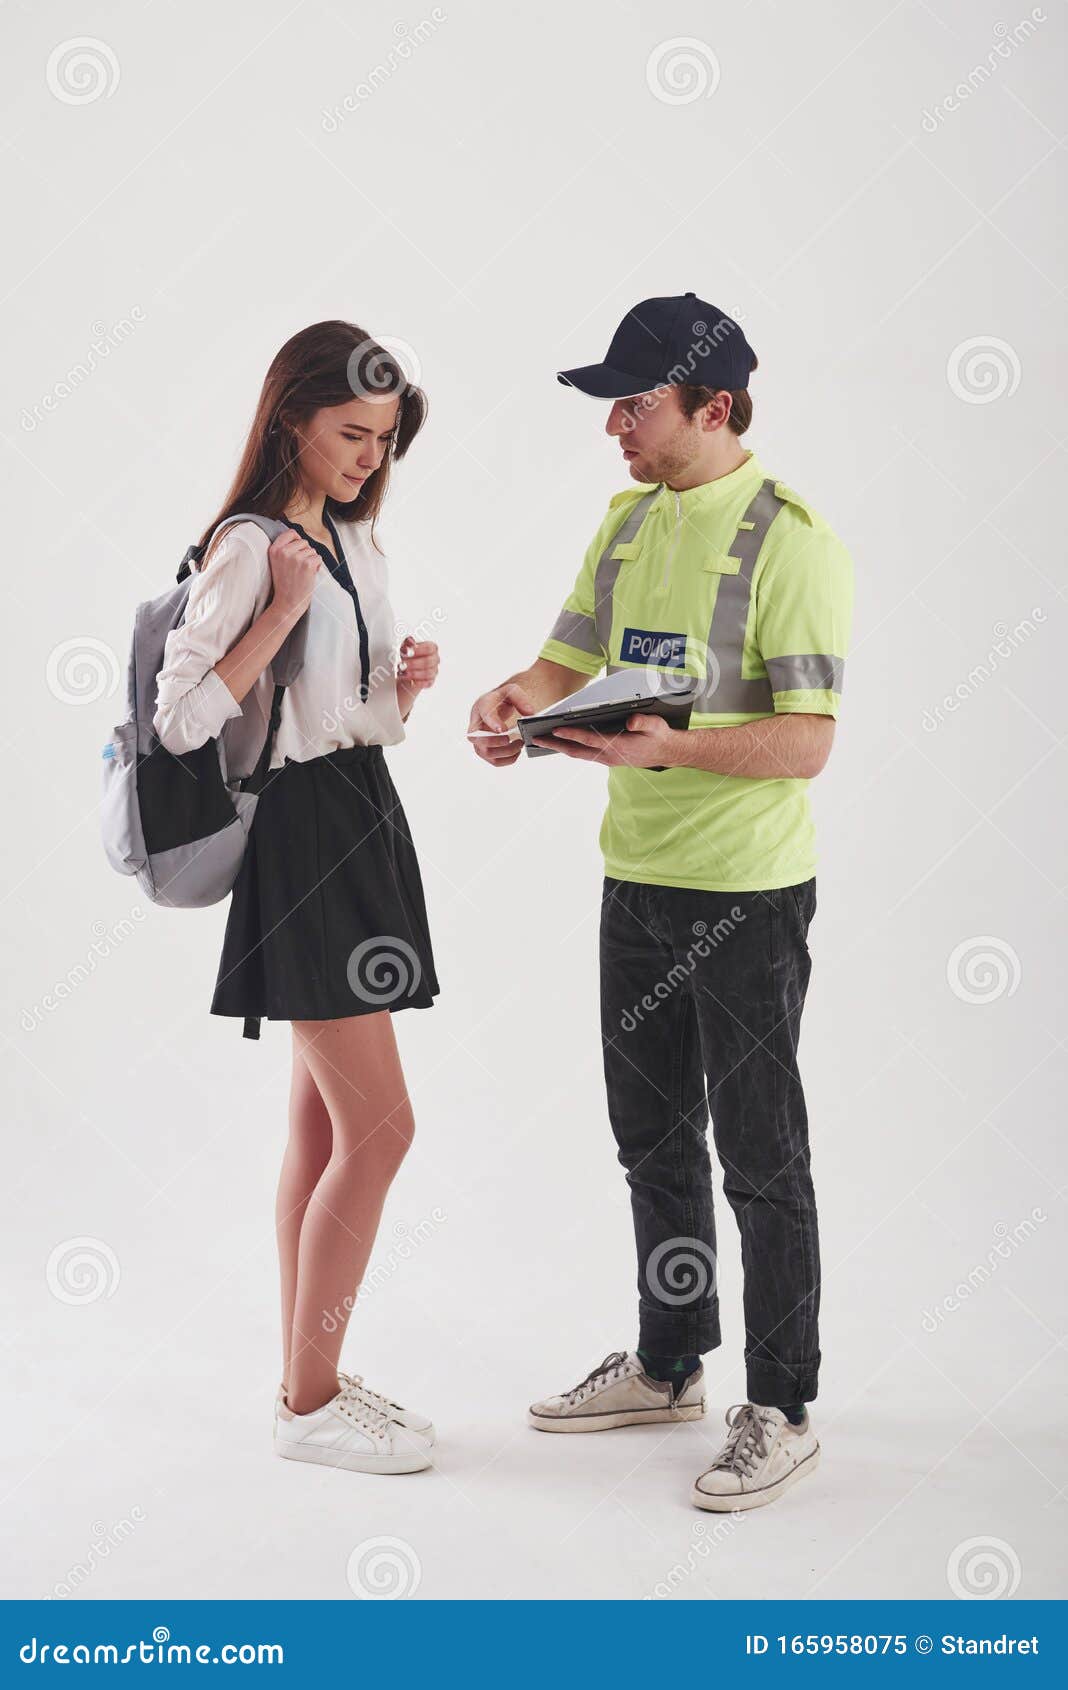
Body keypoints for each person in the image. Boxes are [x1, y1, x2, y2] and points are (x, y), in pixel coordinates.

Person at [468, 293, 853, 1512]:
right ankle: (670, 1360)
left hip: (744, 895)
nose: (613, 428)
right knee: (650, 1138)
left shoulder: (795, 542)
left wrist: (665, 753)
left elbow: (805, 743)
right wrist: (513, 705)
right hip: (633, 881)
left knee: (759, 1154)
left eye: (632, 405)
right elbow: (564, 661)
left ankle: (783, 1401)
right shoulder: (627, 523)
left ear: (713, 407)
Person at [153, 320, 441, 1476]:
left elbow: (346, 716)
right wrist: (275, 611)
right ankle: (310, 1403)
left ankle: (305, 1383)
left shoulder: (354, 534)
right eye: (350, 433)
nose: (369, 456)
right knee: (383, 1128)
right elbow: (179, 722)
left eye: (383, 439)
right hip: (306, 839)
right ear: (292, 421)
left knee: (324, 1127)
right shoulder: (252, 545)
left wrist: (398, 690)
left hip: (362, 809)